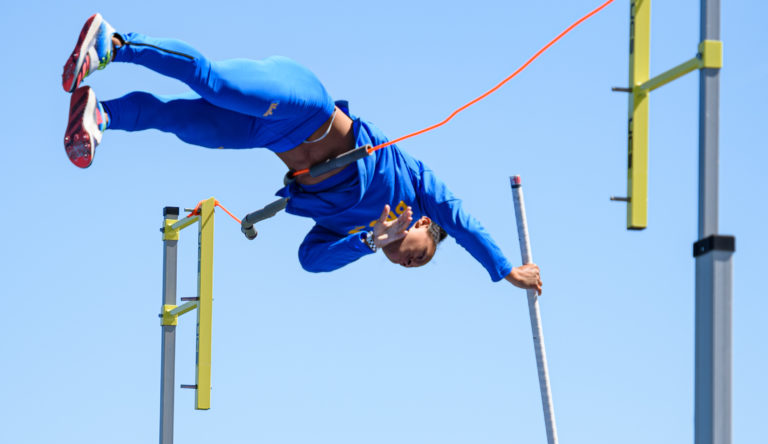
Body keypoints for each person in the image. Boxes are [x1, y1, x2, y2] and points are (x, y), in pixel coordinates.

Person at [62, 14, 542, 293]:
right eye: (421, 259)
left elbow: (310, 261)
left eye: (406, 267)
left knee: (181, 123)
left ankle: (101, 116)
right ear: (421, 226)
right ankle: (116, 45)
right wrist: (503, 270)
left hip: (269, 137)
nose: (407, 264)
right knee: (213, 83)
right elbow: (460, 218)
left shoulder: (347, 233)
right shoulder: (416, 189)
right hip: (305, 105)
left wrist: (368, 242)